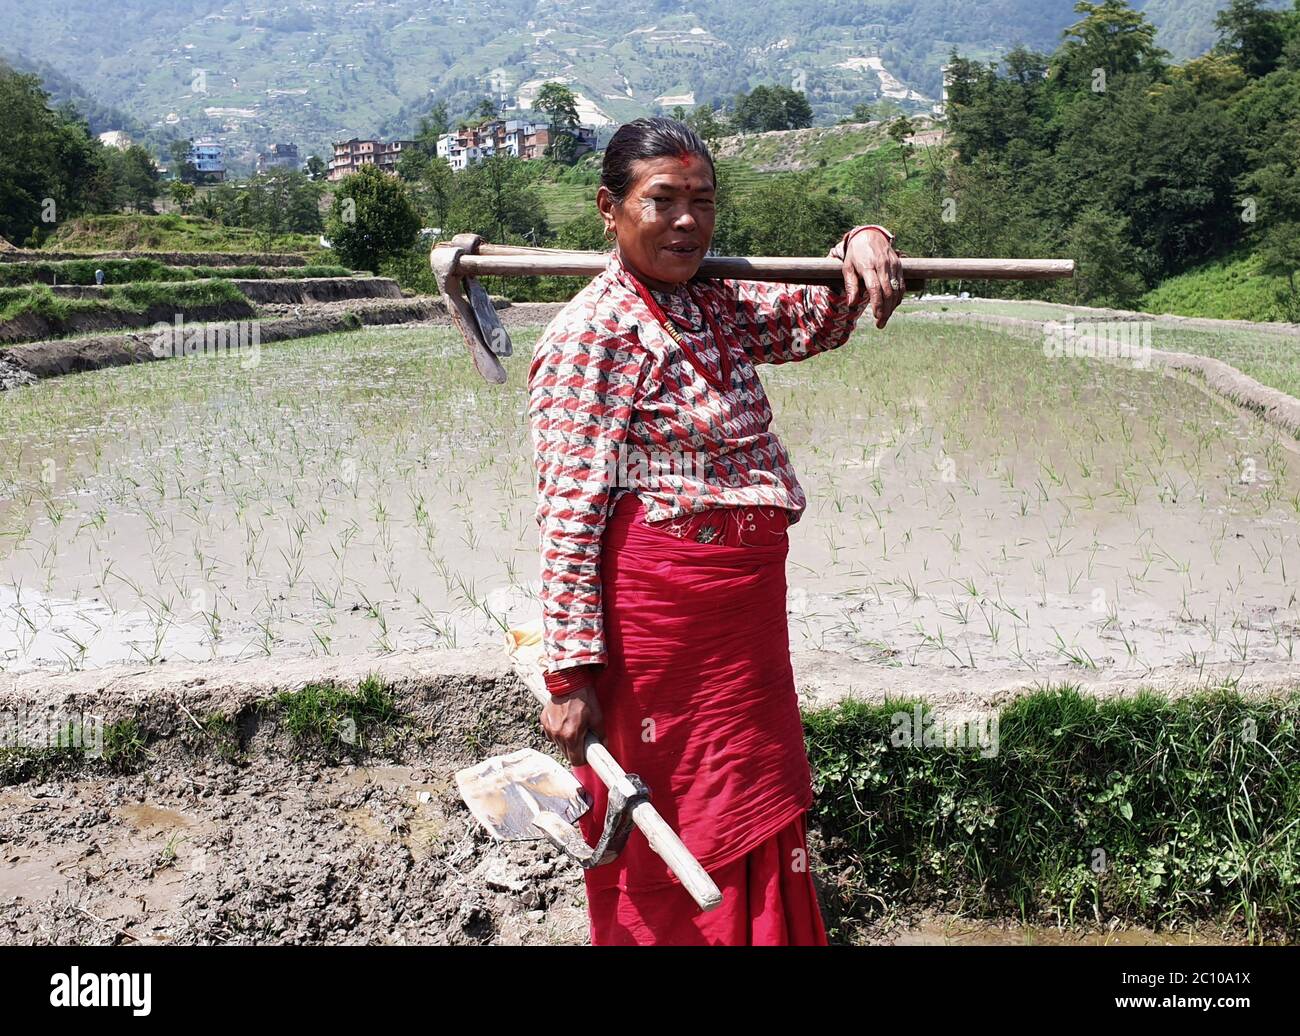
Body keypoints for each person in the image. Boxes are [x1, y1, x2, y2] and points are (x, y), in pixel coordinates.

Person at [527, 116, 904, 946]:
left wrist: (864, 239)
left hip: (742, 618)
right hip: (661, 623)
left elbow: (821, 316)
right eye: (662, 201)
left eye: (703, 201)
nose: (688, 221)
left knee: (752, 791)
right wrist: (569, 674)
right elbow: (569, 510)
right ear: (610, 207)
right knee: (677, 805)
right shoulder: (591, 336)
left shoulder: (716, 303)